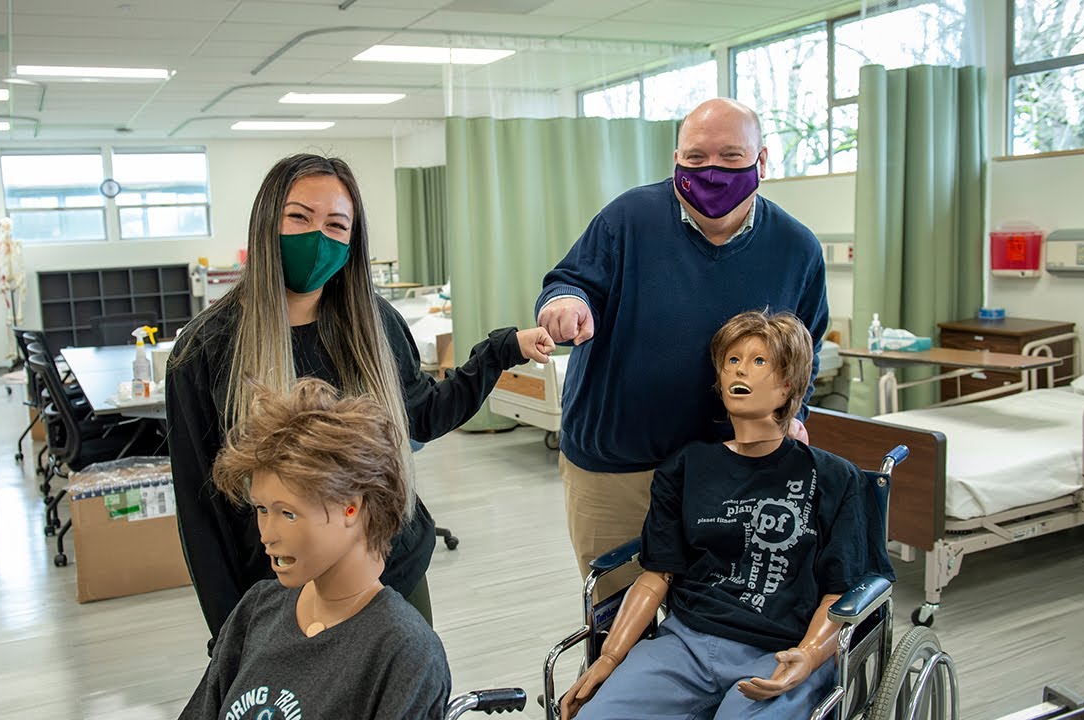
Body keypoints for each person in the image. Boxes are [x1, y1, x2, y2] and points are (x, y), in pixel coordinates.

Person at [167, 153, 555, 644]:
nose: (317, 238)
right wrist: (230, 634)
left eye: (336, 225)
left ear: (353, 240)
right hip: (279, 592)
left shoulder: (373, 324)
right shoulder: (206, 349)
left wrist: (501, 351)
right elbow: (201, 513)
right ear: (265, 221)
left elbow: (423, 415)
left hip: (390, 572)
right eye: (299, 217)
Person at [535, 98, 830, 595]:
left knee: (716, 608)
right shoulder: (629, 219)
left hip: (731, 467)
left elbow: (807, 351)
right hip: (618, 464)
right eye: (695, 158)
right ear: (676, 159)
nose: (711, 171)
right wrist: (565, 302)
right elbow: (571, 280)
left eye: (731, 157)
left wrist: (793, 416)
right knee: (617, 608)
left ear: (761, 161)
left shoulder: (796, 248)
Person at [559, 310, 894, 720]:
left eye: (759, 361)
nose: (741, 370)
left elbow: (839, 591)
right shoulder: (686, 468)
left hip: (781, 650)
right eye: (732, 360)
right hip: (686, 643)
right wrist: (609, 657)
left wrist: (808, 655)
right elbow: (657, 574)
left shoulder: (834, 478)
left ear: (788, 384)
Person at [181, 379, 451, 720]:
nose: (267, 535)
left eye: (287, 514)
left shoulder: (403, 651)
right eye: (262, 510)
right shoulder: (257, 610)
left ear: (350, 508)